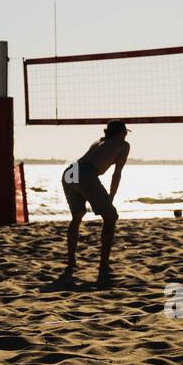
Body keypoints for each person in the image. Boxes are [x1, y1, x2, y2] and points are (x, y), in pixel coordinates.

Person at [61, 120, 129, 285]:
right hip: (86, 173)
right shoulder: (123, 144)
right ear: (121, 133)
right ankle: (103, 266)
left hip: (71, 171)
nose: (126, 134)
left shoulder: (99, 142)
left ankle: (71, 263)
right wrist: (111, 196)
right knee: (111, 217)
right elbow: (116, 174)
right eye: (125, 132)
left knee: (77, 216)